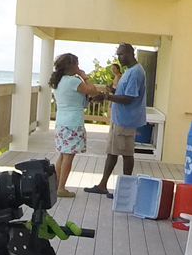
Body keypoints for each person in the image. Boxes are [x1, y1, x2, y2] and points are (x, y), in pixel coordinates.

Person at [86, 43, 146, 195]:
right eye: (118, 54)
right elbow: (124, 92)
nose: (119, 58)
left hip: (126, 120)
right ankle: (102, 185)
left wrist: (106, 96)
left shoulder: (135, 72)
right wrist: (113, 90)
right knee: (112, 152)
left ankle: (125, 189)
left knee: (126, 154)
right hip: (119, 119)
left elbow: (128, 98)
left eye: (122, 54)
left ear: (132, 53)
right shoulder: (128, 71)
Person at [48, 53, 107, 197]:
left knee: (63, 155)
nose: (78, 67)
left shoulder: (59, 81)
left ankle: (56, 185)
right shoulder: (73, 81)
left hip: (61, 121)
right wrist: (84, 76)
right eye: (77, 64)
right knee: (69, 156)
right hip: (73, 122)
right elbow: (92, 90)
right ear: (71, 66)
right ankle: (61, 188)